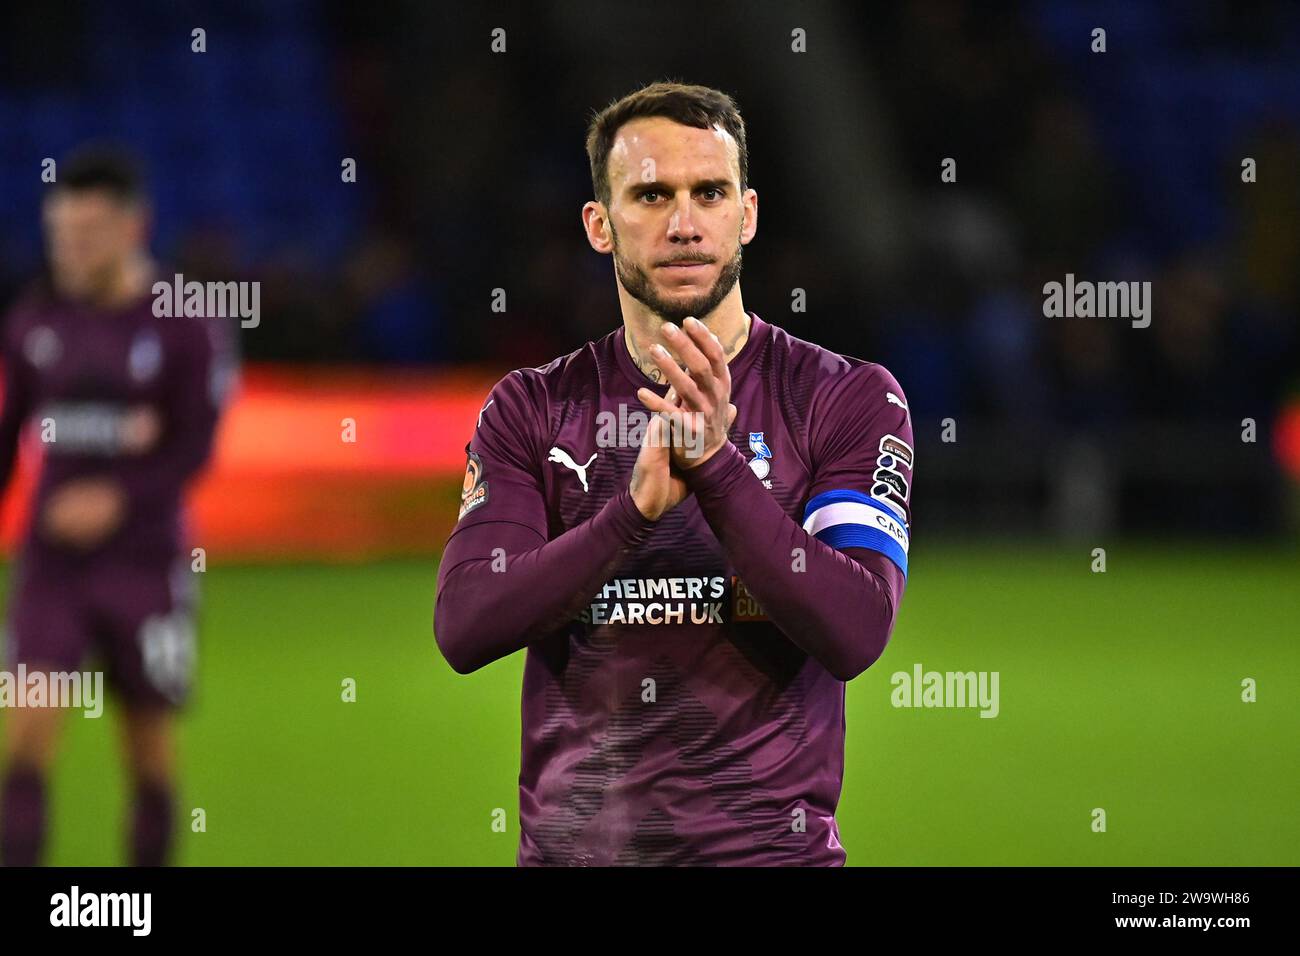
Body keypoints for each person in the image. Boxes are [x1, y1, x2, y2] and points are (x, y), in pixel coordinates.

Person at [434, 82, 912, 865]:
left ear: (747, 214)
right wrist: (632, 516)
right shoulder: (532, 408)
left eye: (710, 193)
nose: (685, 224)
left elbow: (857, 630)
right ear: (599, 224)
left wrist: (717, 471)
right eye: (651, 195)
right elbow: (466, 624)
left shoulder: (844, 398)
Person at [0, 145, 233, 866]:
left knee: (150, 757)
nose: (72, 248)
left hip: (145, 564)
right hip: (53, 566)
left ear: (135, 229)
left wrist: (119, 496)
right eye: (62, 233)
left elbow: (196, 448)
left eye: (89, 232)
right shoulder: (34, 321)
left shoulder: (184, 325)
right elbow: (8, 442)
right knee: (26, 743)